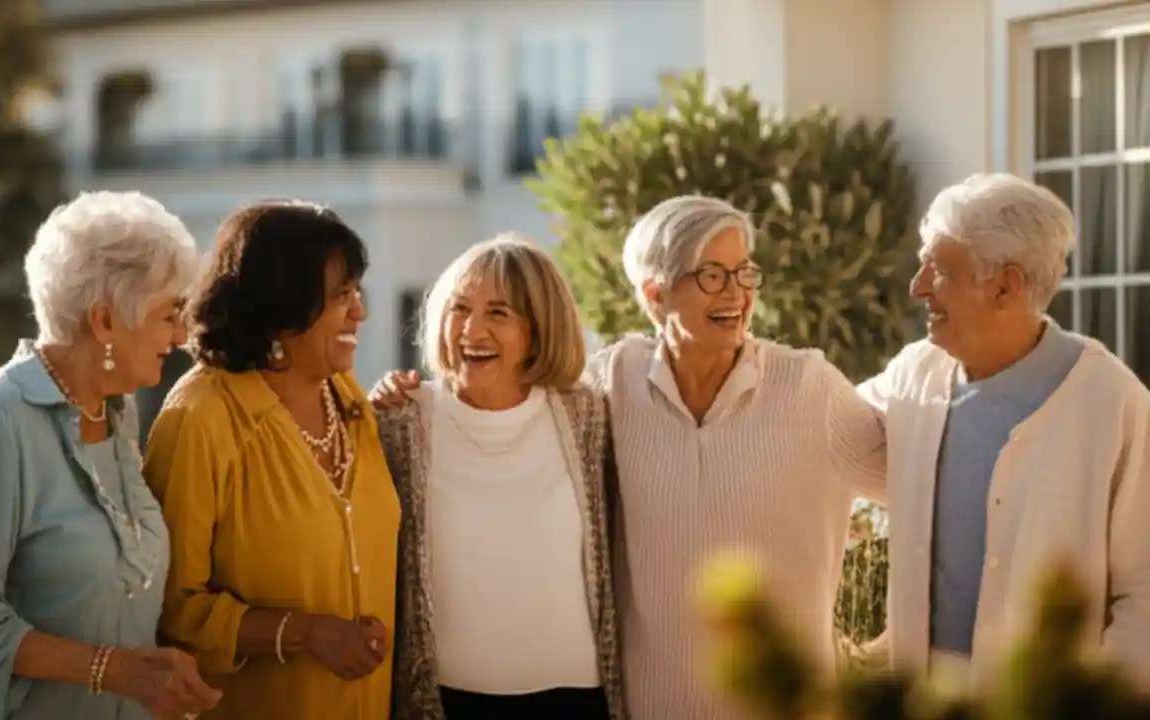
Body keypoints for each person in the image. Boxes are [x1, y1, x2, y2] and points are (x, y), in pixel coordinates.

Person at [375, 195, 888, 719]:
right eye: (712, 275)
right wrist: (398, 393)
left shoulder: (810, 387)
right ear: (654, 294)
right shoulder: (609, 388)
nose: (735, 292)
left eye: (743, 273)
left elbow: (915, 483)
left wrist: (897, 647)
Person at [0, 191, 221, 719]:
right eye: (169, 313)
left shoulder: (117, 413)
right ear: (104, 322)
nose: (182, 334)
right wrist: (113, 670)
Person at [858, 173, 1150, 688]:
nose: (917, 286)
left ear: (1005, 285)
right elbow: (818, 432)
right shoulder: (913, 376)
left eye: (938, 269)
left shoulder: (1112, 401)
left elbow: (1143, 590)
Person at [143, 200, 400, 719]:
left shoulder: (349, 398)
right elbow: (172, 607)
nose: (361, 312)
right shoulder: (201, 417)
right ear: (282, 312)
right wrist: (304, 633)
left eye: (358, 292)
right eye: (341, 296)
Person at [376, 235, 623, 720]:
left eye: (499, 313)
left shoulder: (587, 416)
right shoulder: (401, 419)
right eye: (460, 308)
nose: (471, 329)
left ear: (538, 329)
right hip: (446, 699)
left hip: (573, 698)